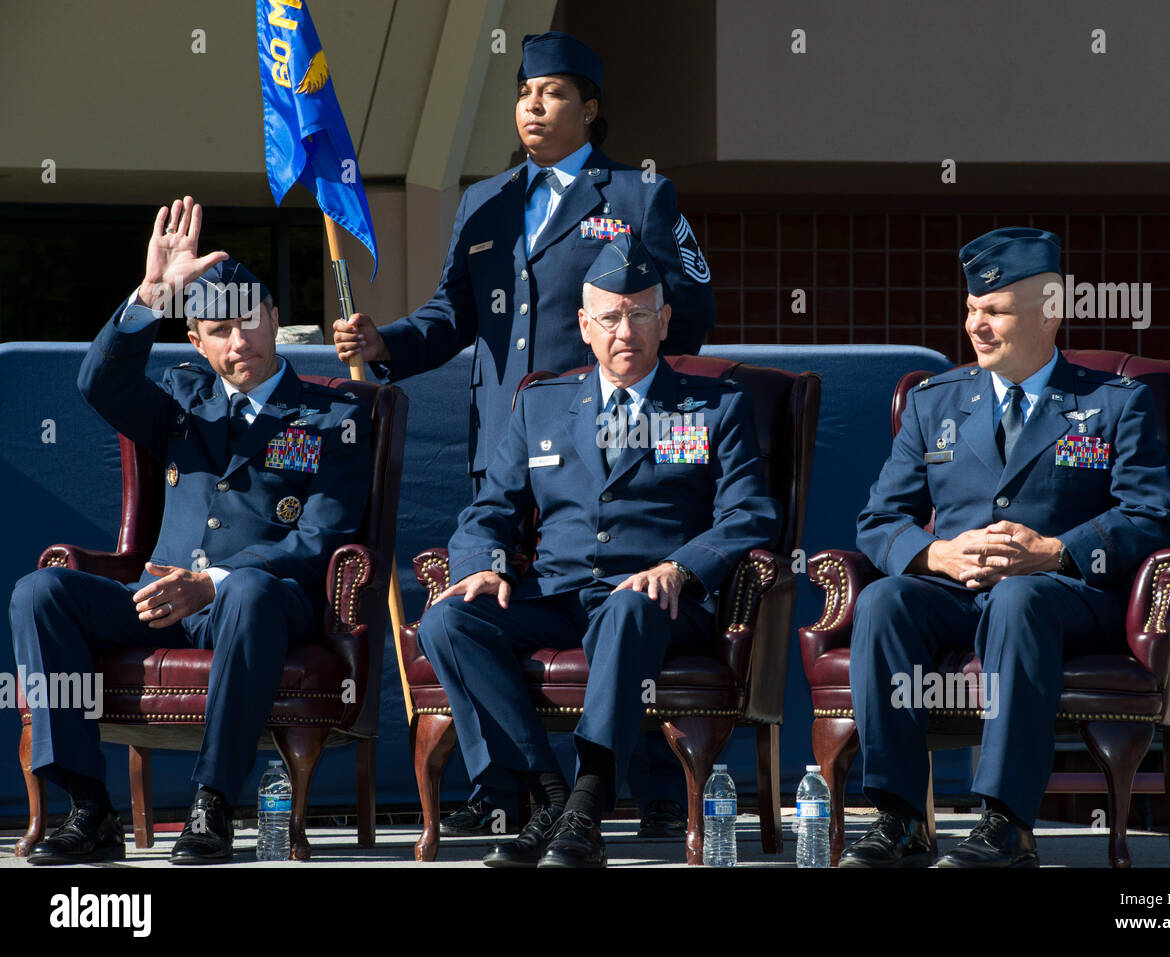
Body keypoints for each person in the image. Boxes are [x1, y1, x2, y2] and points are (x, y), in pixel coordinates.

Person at [335, 31, 712, 837]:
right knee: (479, 603)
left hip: (611, 451)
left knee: (615, 594)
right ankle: (510, 786)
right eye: (523, 94)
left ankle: (638, 782)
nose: (532, 108)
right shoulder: (487, 203)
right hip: (510, 451)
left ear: (591, 110)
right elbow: (451, 317)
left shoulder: (640, 196)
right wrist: (384, 344)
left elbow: (692, 314)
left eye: (551, 94)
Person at [10, 196, 372, 865]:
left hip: (261, 601)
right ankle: (89, 807)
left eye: (252, 320)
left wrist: (213, 582)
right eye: (218, 329)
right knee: (40, 592)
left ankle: (212, 803)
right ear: (197, 343)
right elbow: (98, 382)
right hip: (159, 596)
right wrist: (153, 293)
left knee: (249, 594)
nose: (240, 341)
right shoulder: (180, 399)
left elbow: (324, 537)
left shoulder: (332, 415)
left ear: (275, 319)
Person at [417, 235, 779, 867]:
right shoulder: (542, 404)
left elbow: (749, 515)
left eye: (640, 313)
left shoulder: (717, 408)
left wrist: (678, 568)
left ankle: (587, 802)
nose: (625, 330)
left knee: (628, 606)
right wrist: (483, 564)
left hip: (660, 604)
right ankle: (549, 794)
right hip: (557, 594)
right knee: (450, 618)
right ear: (585, 326)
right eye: (610, 316)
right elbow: (489, 510)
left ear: (665, 321)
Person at [841, 227, 1170, 868]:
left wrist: (1055, 551)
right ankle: (898, 816)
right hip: (956, 592)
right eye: (972, 309)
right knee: (886, 601)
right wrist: (934, 555)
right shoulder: (933, 403)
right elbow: (879, 518)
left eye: (995, 311)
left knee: (1020, 600)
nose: (977, 325)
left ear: (1050, 312)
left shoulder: (1114, 404)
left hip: (1064, 597)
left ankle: (1006, 825)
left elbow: (1157, 516)